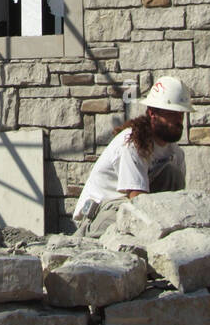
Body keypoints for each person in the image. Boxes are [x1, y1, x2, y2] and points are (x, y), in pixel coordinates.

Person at [72, 76, 193, 236]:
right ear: (153, 114)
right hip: (103, 212)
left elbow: (175, 202)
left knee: (172, 175)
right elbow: (138, 201)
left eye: (181, 114)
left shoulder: (175, 153)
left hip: (131, 206)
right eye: (172, 113)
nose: (179, 120)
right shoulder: (132, 143)